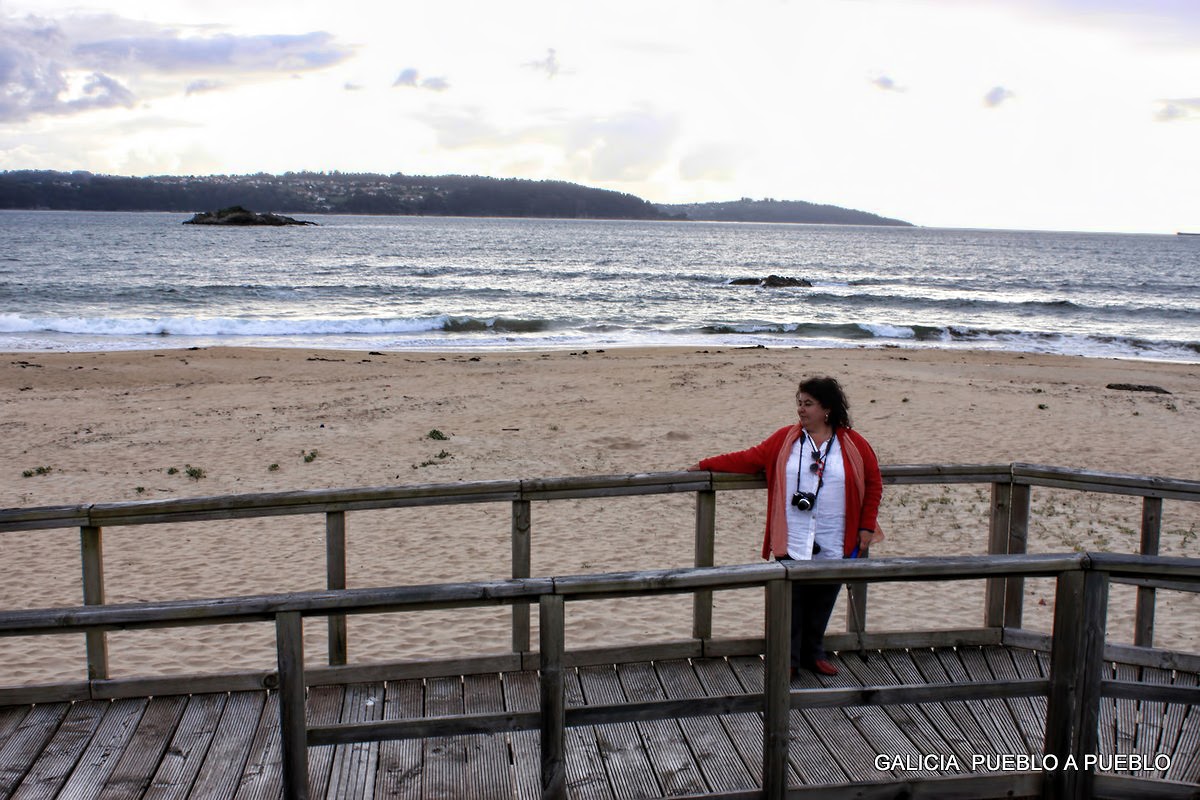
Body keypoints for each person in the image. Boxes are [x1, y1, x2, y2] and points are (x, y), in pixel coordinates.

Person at [687, 376, 883, 677]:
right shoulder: (785, 439)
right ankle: (788, 660)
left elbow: (872, 484)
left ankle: (813, 654)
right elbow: (748, 459)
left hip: (834, 535)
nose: (801, 410)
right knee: (791, 601)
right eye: (799, 404)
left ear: (827, 409)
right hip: (793, 535)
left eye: (808, 404)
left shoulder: (853, 444)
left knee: (824, 598)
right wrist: (704, 465)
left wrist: (867, 526)